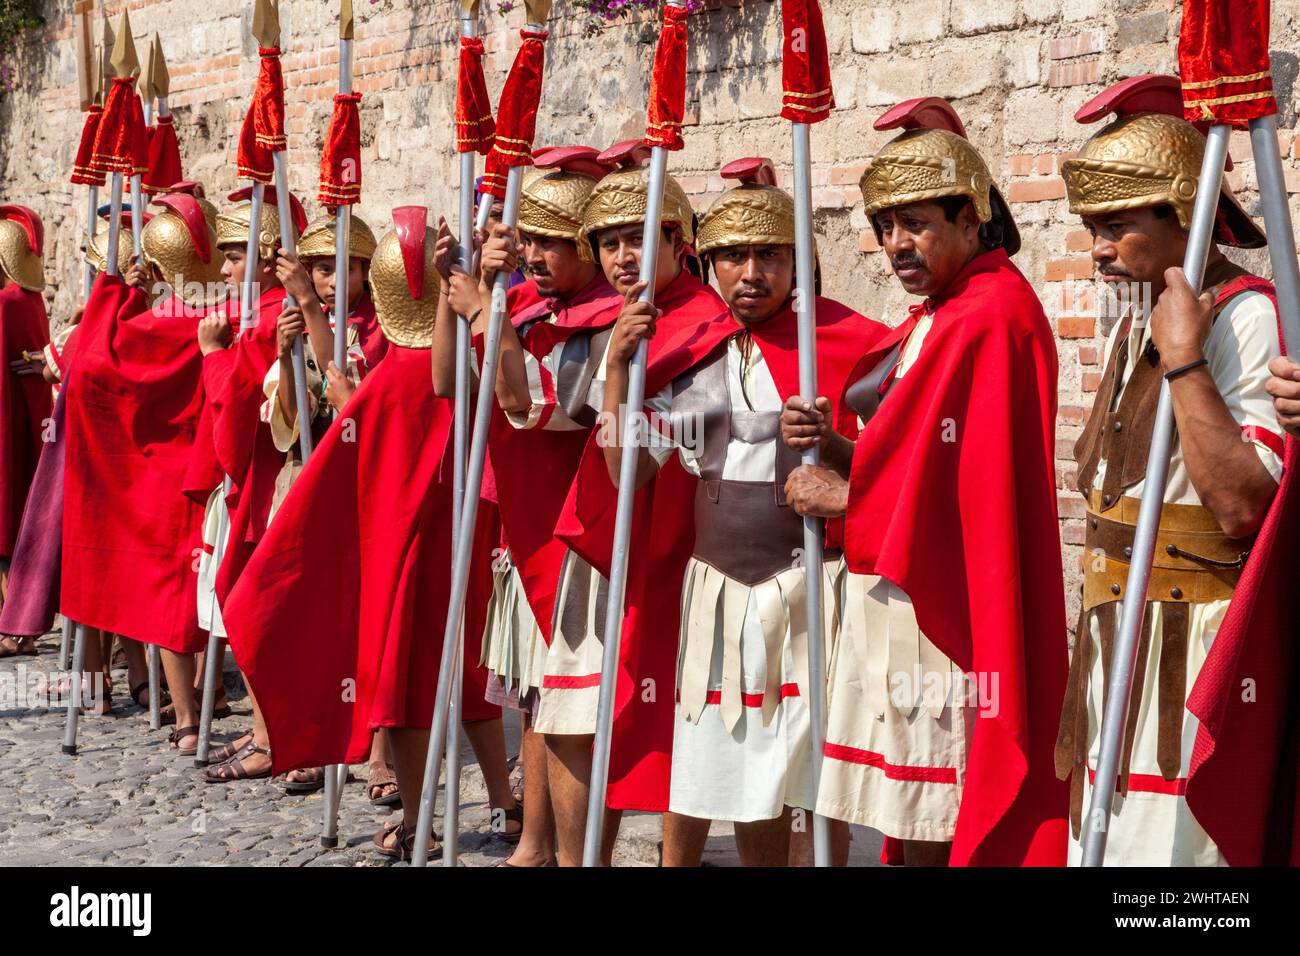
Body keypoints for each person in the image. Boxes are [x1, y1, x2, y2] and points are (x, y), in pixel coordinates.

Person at [780, 97, 1069, 866]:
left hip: (940, 601)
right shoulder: (942, 313)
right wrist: (838, 449)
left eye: (917, 223)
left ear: (972, 220)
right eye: (885, 227)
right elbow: (914, 458)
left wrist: (845, 498)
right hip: (900, 589)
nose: (896, 244)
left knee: (938, 801)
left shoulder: (992, 314)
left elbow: (976, 488)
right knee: (906, 803)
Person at [600, 158, 883, 865]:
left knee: (816, 782)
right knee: (741, 776)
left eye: (768, 255)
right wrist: (615, 374)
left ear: (798, 260)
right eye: (731, 256)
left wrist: (838, 445)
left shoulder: (855, 347)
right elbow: (629, 470)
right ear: (709, 261)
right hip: (720, 601)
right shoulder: (696, 357)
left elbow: (904, 465)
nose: (749, 272)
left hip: (813, 592)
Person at [223, 208, 507, 861]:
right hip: (460, 542)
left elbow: (373, 409)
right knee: (471, 675)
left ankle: (418, 819)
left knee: (412, 684)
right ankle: (502, 804)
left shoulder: (410, 373)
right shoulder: (463, 353)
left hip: (414, 546)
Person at [1055, 76, 1282, 865]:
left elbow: (1242, 506)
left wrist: (1186, 356)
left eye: (1116, 226)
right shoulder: (1137, 316)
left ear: (1182, 215)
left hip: (1192, 650)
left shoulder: (1247, 315)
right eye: (1092, 227)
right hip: (1118, 646)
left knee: (1178, 877)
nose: (1099, 249)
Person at [484, 140, 732, 864]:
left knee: (670, 723)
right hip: (597, 541)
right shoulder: (621, 318)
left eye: (637, 239)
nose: (623, 256)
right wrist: (496, 313)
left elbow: (649, 455)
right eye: (610, 242)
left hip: (668, 549)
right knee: (564, 714)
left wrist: (621, 367)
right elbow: (541, 410)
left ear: (677, 241)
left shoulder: (707, 327)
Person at [442, 145, 624, 866]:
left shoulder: (610, 319)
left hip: (575, 532)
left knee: (571, 703)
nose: (539, 256)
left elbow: (534, 406)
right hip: (523, 528)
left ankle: (570, 855)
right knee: (538, 702)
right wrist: (455, 297)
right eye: (534, 240)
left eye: (555, 242)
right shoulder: (520, 303)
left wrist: (490, 318)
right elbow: (453, 385)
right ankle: (536, 844)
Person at [61, 192, 232, 744]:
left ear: (158, 267)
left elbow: (86, 368)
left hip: (152, 484)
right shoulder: (221, 318)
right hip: (200, 479)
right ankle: (201, 705)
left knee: (168, 592)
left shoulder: (147, 325)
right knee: (195, 589)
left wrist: (114, 297)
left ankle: (181, 716)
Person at [0, 205, 52, 654]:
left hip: (14, 419)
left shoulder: (11, 301)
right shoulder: (26, 297)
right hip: (25, 415)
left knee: (11, 513)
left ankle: (15, 625)